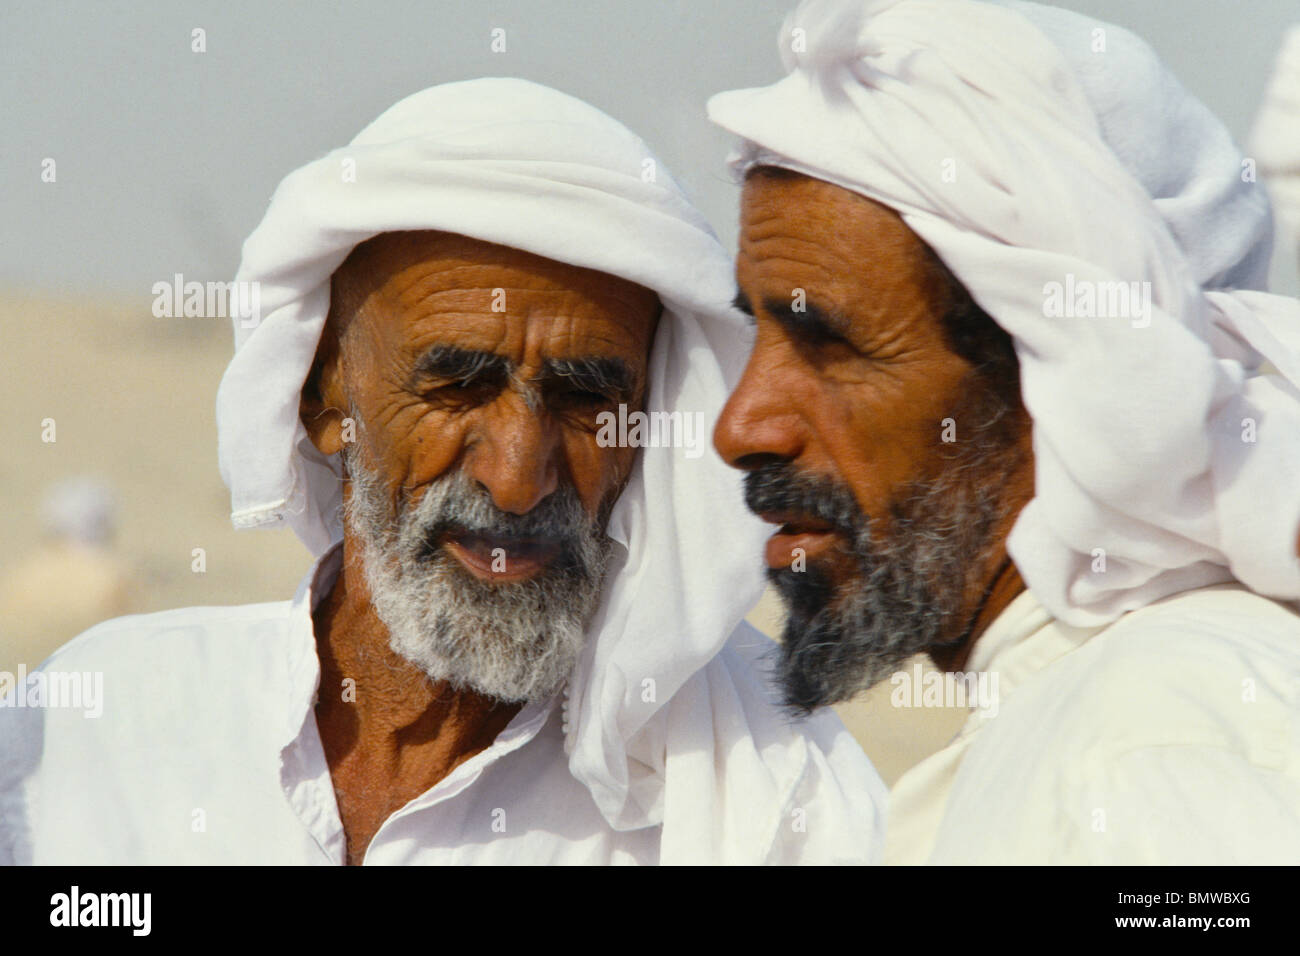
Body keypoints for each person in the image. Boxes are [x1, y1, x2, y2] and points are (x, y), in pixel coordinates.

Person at [0, 78, 885, 865]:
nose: (516, 480)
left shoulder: (771, 797)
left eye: (584, 400)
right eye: (458, 385)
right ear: (322, 397)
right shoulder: (89, 734)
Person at [707, 0, 1300, 863]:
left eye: (829, 345)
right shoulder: (1072, 720)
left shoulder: (1147, 744)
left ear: (1068, 378)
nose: (741, 426)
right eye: (753, 335)